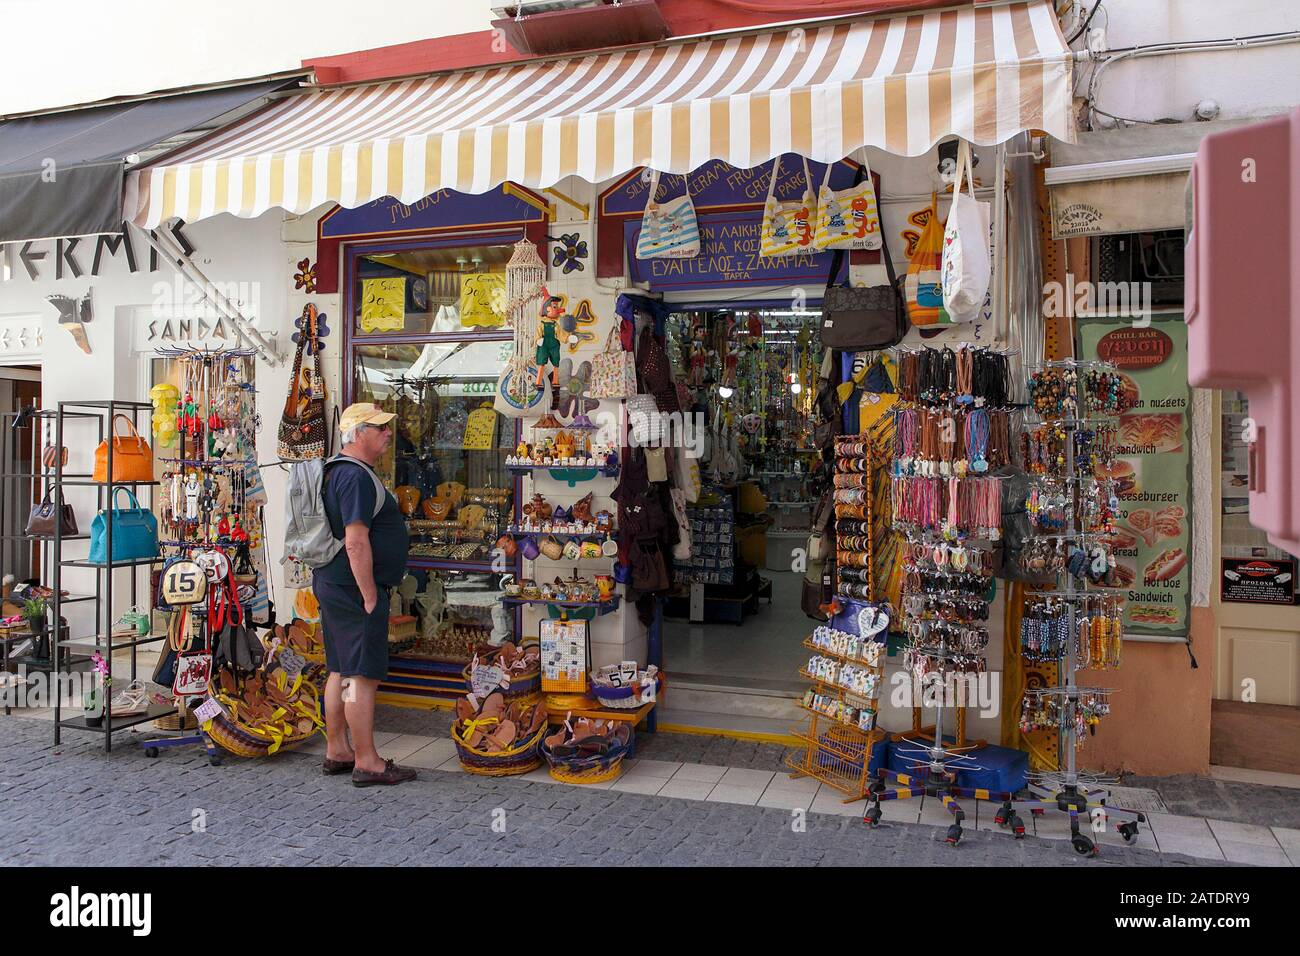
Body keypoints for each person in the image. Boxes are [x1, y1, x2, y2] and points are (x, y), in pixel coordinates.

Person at [314, 403, 416, 787]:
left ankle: (338, 750)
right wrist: (370, 594)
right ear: (357, 433)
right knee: (361, 675)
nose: (388, 433)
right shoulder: (355, 478)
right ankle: (367, 760)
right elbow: (356, 542)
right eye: (380, 427)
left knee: (341, 668)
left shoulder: (339, 472)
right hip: (354, 588)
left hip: (337, 583)